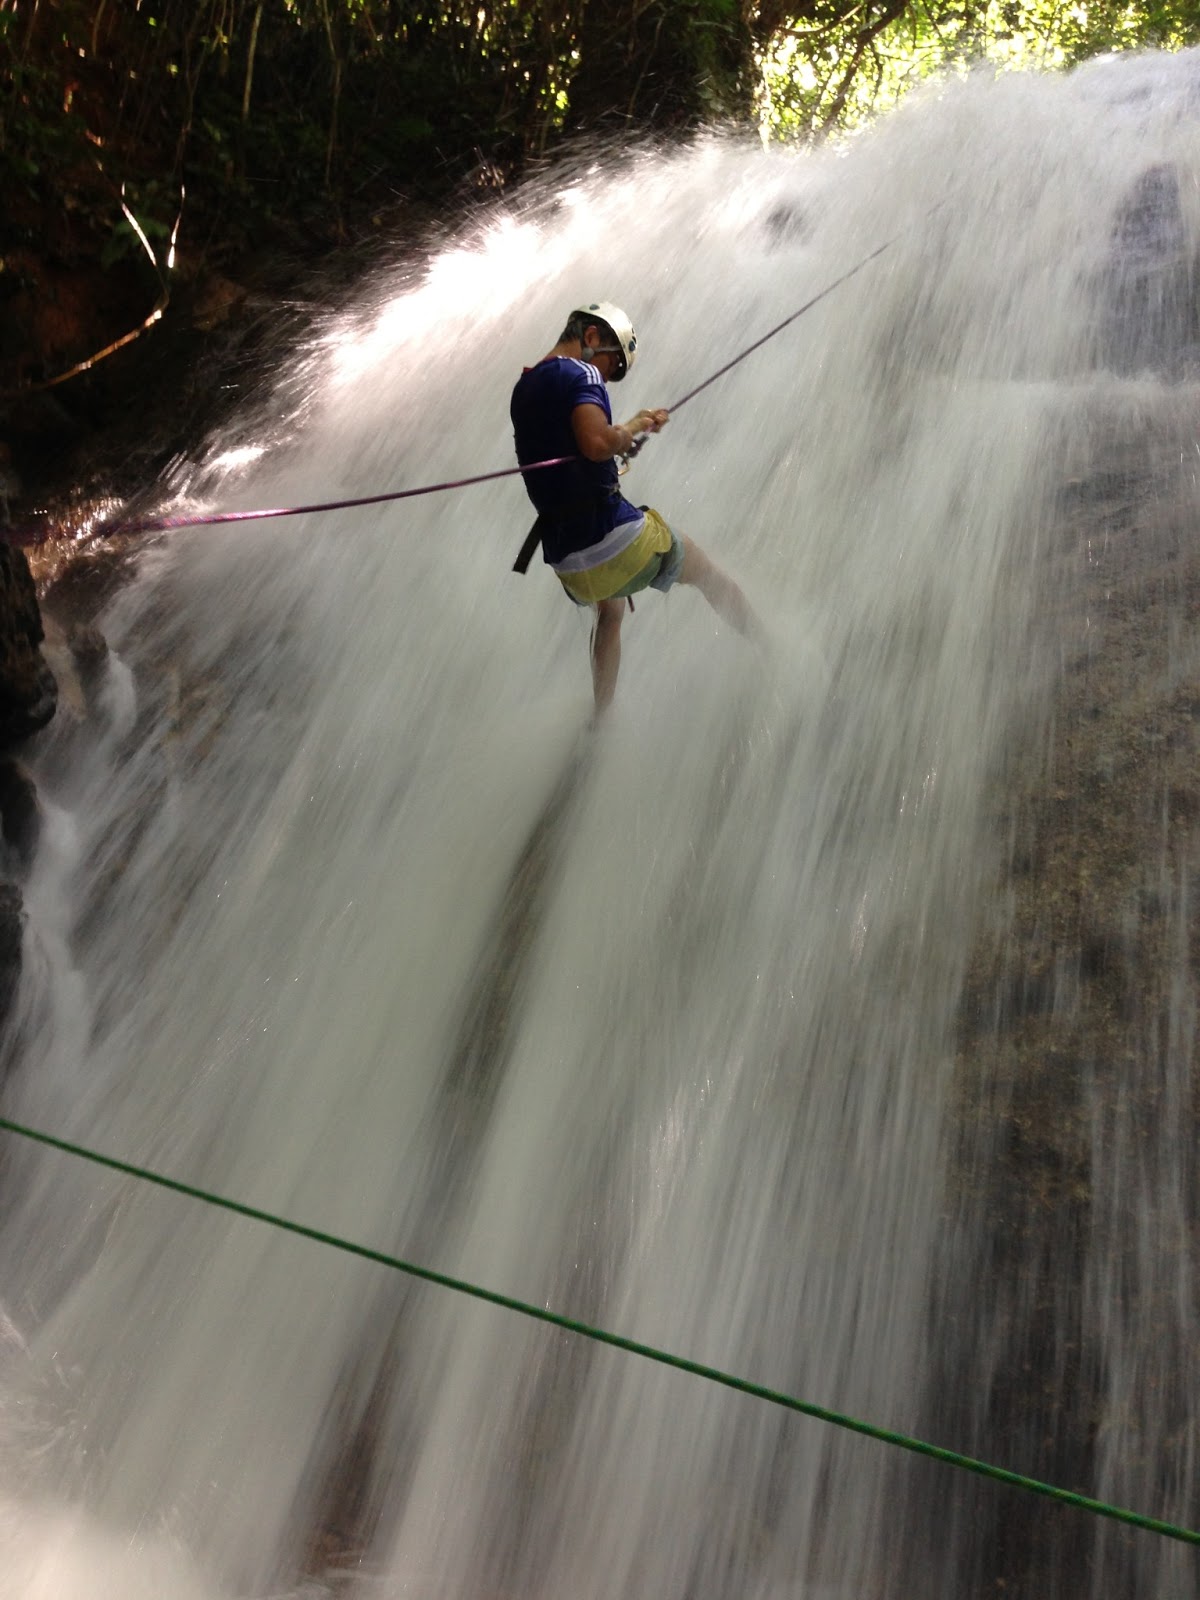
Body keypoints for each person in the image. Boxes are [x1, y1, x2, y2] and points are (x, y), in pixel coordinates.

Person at [510, 301, 756, 714]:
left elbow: (578, 448)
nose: (609, 377)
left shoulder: (525, 387)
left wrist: (632, 427)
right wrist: (629, 432)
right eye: (612, 366)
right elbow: (597, 443)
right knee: (707, 573)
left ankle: (601, 721)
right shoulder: (582, 371)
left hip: (570, 564)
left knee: (609, 613)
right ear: (591, 338)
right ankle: (774, 650)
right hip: (614, 540)